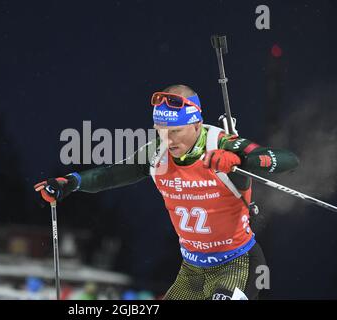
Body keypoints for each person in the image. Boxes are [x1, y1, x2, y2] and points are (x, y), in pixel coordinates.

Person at [34, 84, 299, 300]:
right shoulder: (156, 153)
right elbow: (111, 175)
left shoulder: (222, 143)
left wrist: (241, 161)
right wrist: (69, 182)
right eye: (161, 130)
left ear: (197, 125)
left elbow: (286, 160)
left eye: (175, 131)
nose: (168, 140)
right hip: (192, 271)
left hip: (237, 264)